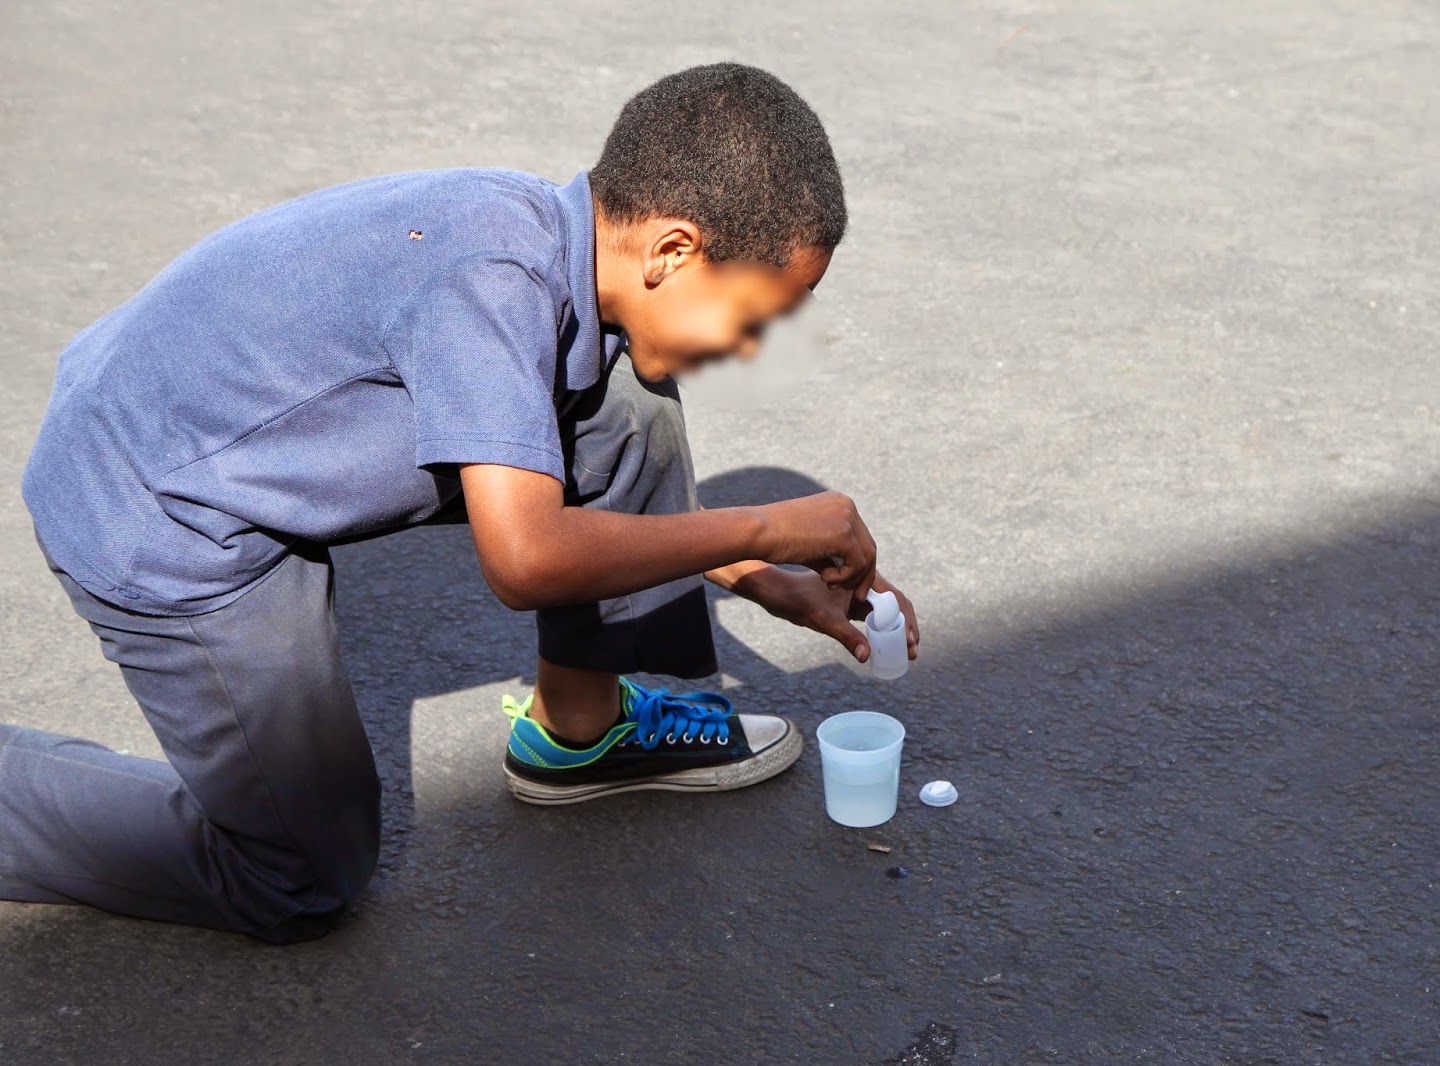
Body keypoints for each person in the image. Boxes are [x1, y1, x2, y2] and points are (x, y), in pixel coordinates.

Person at [1, 62, 919, 943]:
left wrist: (759, 575)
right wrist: (766, 523)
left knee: (624, 407)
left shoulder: (556, 248)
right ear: (675, 249)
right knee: (302, 870)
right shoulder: (489, 282)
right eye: (755, 316)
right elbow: (526, 561)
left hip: (209, 435)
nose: (754, 347)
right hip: (160, 510)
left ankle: (579, 731)